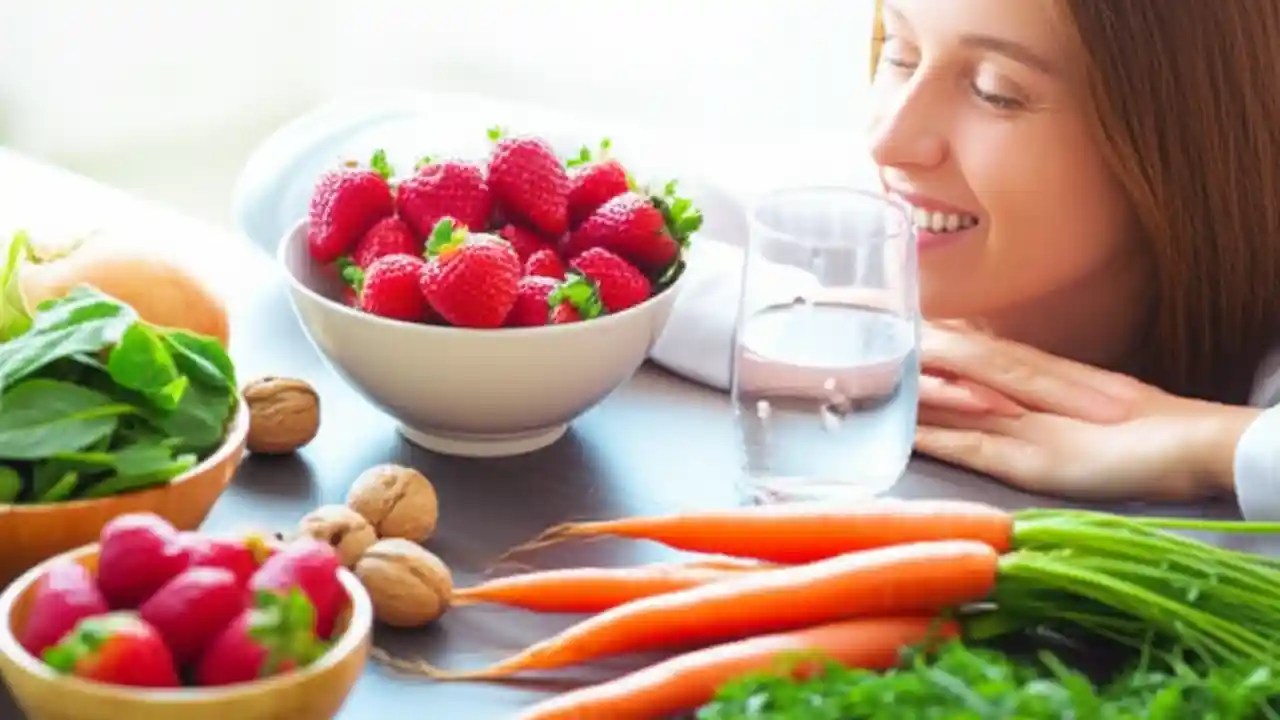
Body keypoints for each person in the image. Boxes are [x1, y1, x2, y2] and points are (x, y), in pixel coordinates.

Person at [648, 0, 1280, 519]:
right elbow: (589, 208)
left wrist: (1215, 441)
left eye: (994, 92)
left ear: (1180, 147)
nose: (890, 141)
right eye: (900, 53)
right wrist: (835, 337)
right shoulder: (869, 213)